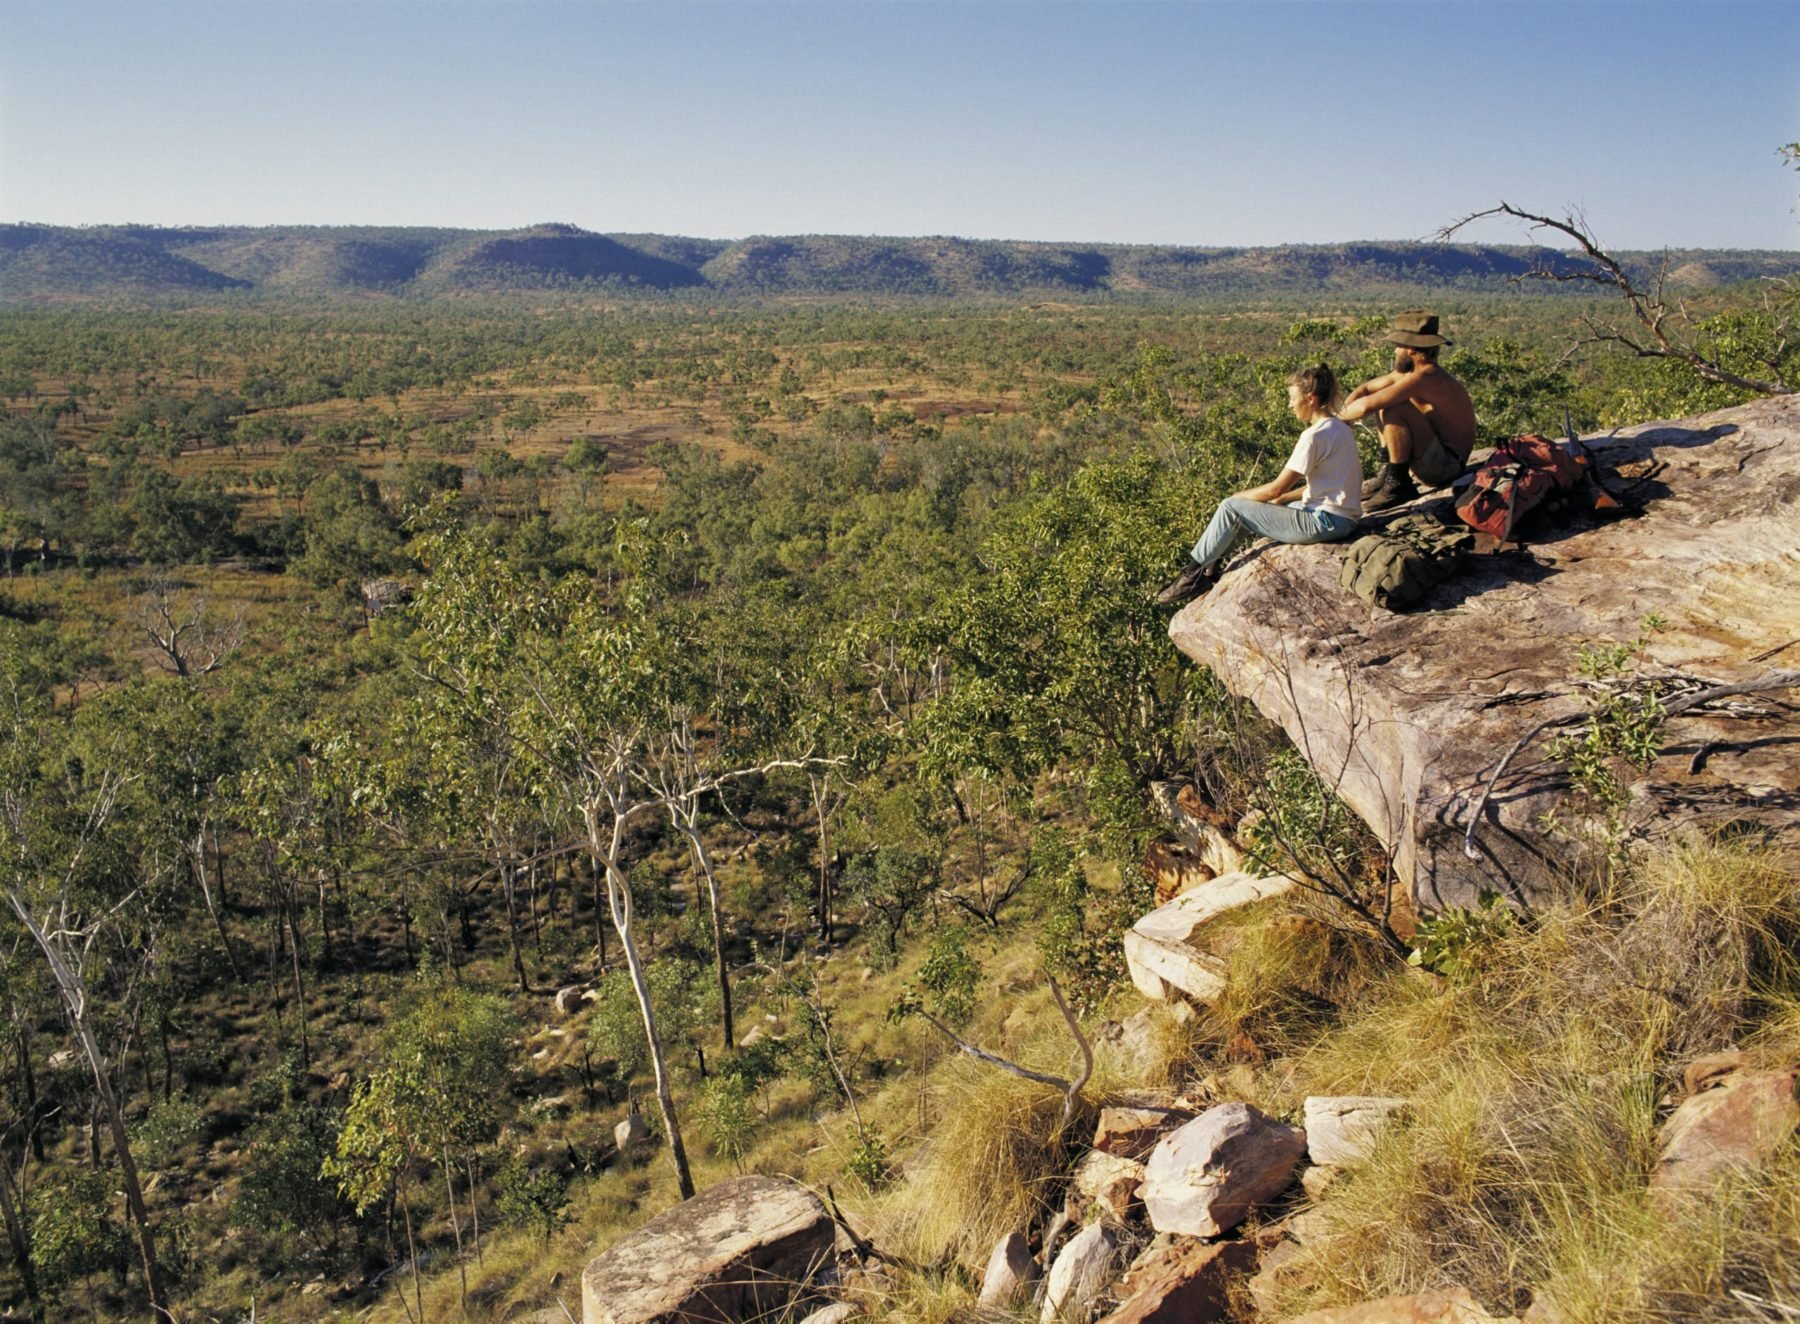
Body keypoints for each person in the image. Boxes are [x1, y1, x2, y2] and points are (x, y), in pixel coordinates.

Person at [1156, 363, 1361, 604]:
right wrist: (1282, 501)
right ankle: (1208, 570)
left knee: (1232, 507)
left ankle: (1192, 574)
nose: (1290, 404)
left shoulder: (1314, 436)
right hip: (1343, 519)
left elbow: (1276, 488)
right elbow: (1327, 485)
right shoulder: (1340, 428)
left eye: (1293, 398)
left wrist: (1238, 496)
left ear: (1311, 398)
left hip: (1324, 523)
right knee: (1245, 511)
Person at [1340, 310, 1476, 511]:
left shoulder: (1426, 376)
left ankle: (1398, 482)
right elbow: (1366, 389)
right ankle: (1388, 472)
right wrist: (1345, 414)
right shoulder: (1413, 373)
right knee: (1387, 399)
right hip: (1436, 457)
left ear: (1410, 348)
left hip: (1446, 467)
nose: (1395, 351)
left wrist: (1333, 420)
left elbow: (1367, 406)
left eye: (1398, 346)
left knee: (1392, 405)